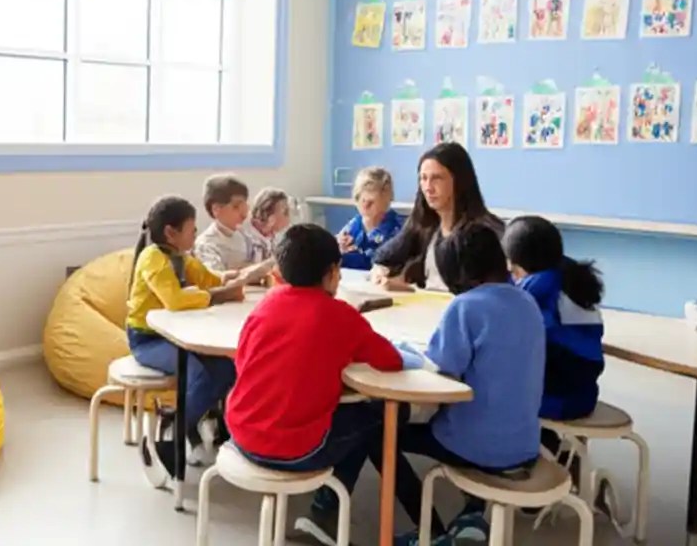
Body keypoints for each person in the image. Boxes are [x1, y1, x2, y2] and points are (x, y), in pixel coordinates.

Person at [226, 224, 405, 543]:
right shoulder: (340, 315)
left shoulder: (266, 304)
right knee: (375, 418)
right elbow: (392, 360)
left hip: (240, 434)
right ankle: (324, 511)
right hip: (294, 449)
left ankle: (326, 510)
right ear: (333, 272)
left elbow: (243, 363)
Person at [388, 223, 546, 545]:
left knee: (380, 433)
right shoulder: (527, 301)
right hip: (525, 444)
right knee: (484, 409)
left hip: (474, 447)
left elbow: (439, 377)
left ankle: (431, 532)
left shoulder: (466, 307)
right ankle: (471, 516)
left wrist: (405, 356)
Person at [126, 195, 246, 483]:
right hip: (149, 340)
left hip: (178, 336)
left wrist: (238, 277)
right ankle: (173, 428)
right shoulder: (153, 257)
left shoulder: (181, 257)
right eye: (192, 229)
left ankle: (187, 421)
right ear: (171, 232)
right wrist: (219, 295)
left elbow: (208, 279)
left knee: (226, 368)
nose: (195, 234)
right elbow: (175, 300)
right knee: (200, 373)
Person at [503, 216, 605, 448]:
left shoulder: (537, 290)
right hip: (585, 394)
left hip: (556, 399)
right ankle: (548, 446)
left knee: (489, 387)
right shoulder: (570, 276)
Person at [370, 143, 502, 292]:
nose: (428, 187)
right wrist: (380, 272)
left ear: (459, 180)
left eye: (437, 178)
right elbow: (383, 257)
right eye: (423, 178)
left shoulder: (484, 233)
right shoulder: (423, 225)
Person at [194, 174, 274, 281]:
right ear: (216, 209)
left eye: (245, 204)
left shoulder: (247, 234)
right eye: (236, 207)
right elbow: (217, 279)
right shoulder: (206, 244)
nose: (244, 212)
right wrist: (259, 269)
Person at [338, 166, 403, 271]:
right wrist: (338, 248)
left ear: (386, 199)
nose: (365, 206)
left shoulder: (398, 229)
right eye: (361, 200)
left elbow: (380, 263)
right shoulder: (352, 225)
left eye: (371, 202)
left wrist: (348, 257)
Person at [239, 187, 292, 263]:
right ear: (269, 215)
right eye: (285, 212)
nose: (289, 218)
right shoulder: (243, 236)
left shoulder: (277, 237)